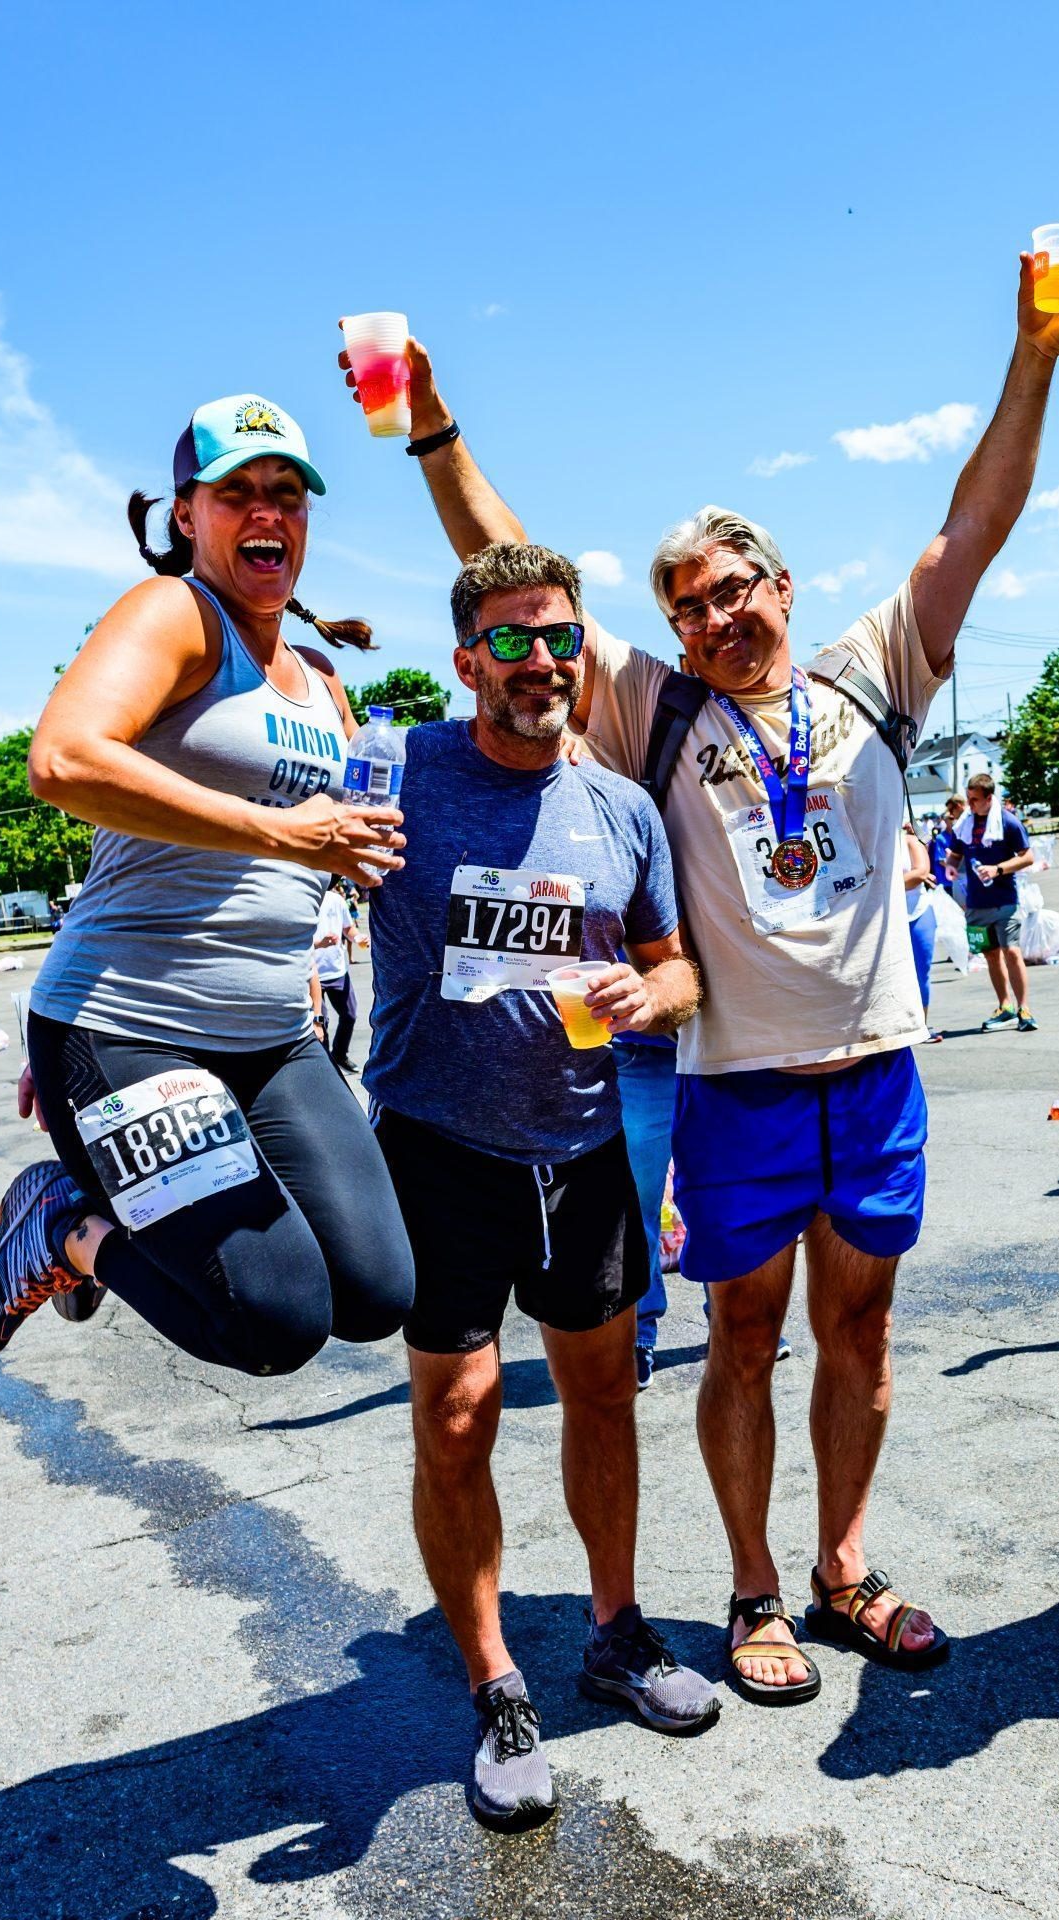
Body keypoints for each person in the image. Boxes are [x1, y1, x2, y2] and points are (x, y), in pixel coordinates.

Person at [367, 238, 1059, 1698]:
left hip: (879, 1072)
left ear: (779, 581)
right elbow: (509, 572)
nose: (709, 620)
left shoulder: (868, 675)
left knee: (867, 1326)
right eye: (685, 606)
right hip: (739, 1088)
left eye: (726, 592)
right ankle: (755, 1593)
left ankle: (843, 1567)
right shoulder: (655, 710)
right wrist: (437, 432)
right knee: (744, 1338)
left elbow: (974, 526)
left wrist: (1033, 358)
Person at [0, 394, 414, 1374]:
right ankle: (64, 1222)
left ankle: (103, 1178)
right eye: (236, 492)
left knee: (377, 1293)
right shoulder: (175, 613)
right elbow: (64, 761)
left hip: (266, 1035)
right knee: (273, 1321)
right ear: (186, 516)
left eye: (287, 494)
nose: (266, 513)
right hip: (131, 1023)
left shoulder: (323, 683)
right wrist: (287, 833)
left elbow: (291, 861)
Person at [363, 542, 714, 1829]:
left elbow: (677, 969)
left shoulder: (622, 807)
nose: (539, 661)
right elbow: (261, 860)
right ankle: (494, 1679)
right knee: (457, 1419)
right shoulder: (399, 771)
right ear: (467, 659)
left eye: (557, 635)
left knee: (604, 1398)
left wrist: (649, 991)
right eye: (509, 639)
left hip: (581, 1149)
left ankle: (615, 1633)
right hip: (435, 1146)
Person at [955, 772, 1039, 1031]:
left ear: (989, 798)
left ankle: (1024, 1008)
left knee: (1012, 953)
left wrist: (998, 869)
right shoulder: (966, 823)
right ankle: (1005, 1007)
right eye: (968, 799)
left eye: (975, 800)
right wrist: (948, 864)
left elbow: (1028, 857)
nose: (970, 805)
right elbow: (957, 852)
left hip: (1004, 900)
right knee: (991, 955)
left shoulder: (1008, 822)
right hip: (976, 903)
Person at [310, 879, 359, 1070]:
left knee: (350, 1015)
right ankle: (327, 1067)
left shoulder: (336, 900)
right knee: (322, 1022)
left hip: (337, 970)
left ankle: (339, 1054)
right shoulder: (306, 900)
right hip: (314, 973)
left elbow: (348, 928)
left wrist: (357, 937)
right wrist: (319, 944)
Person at [902, 821, 941, 1044]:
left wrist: (885, 883)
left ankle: (922, 1023)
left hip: (917, 913)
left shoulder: (909, 841)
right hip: (888, 915)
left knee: (920, 971)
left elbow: (921, 872)